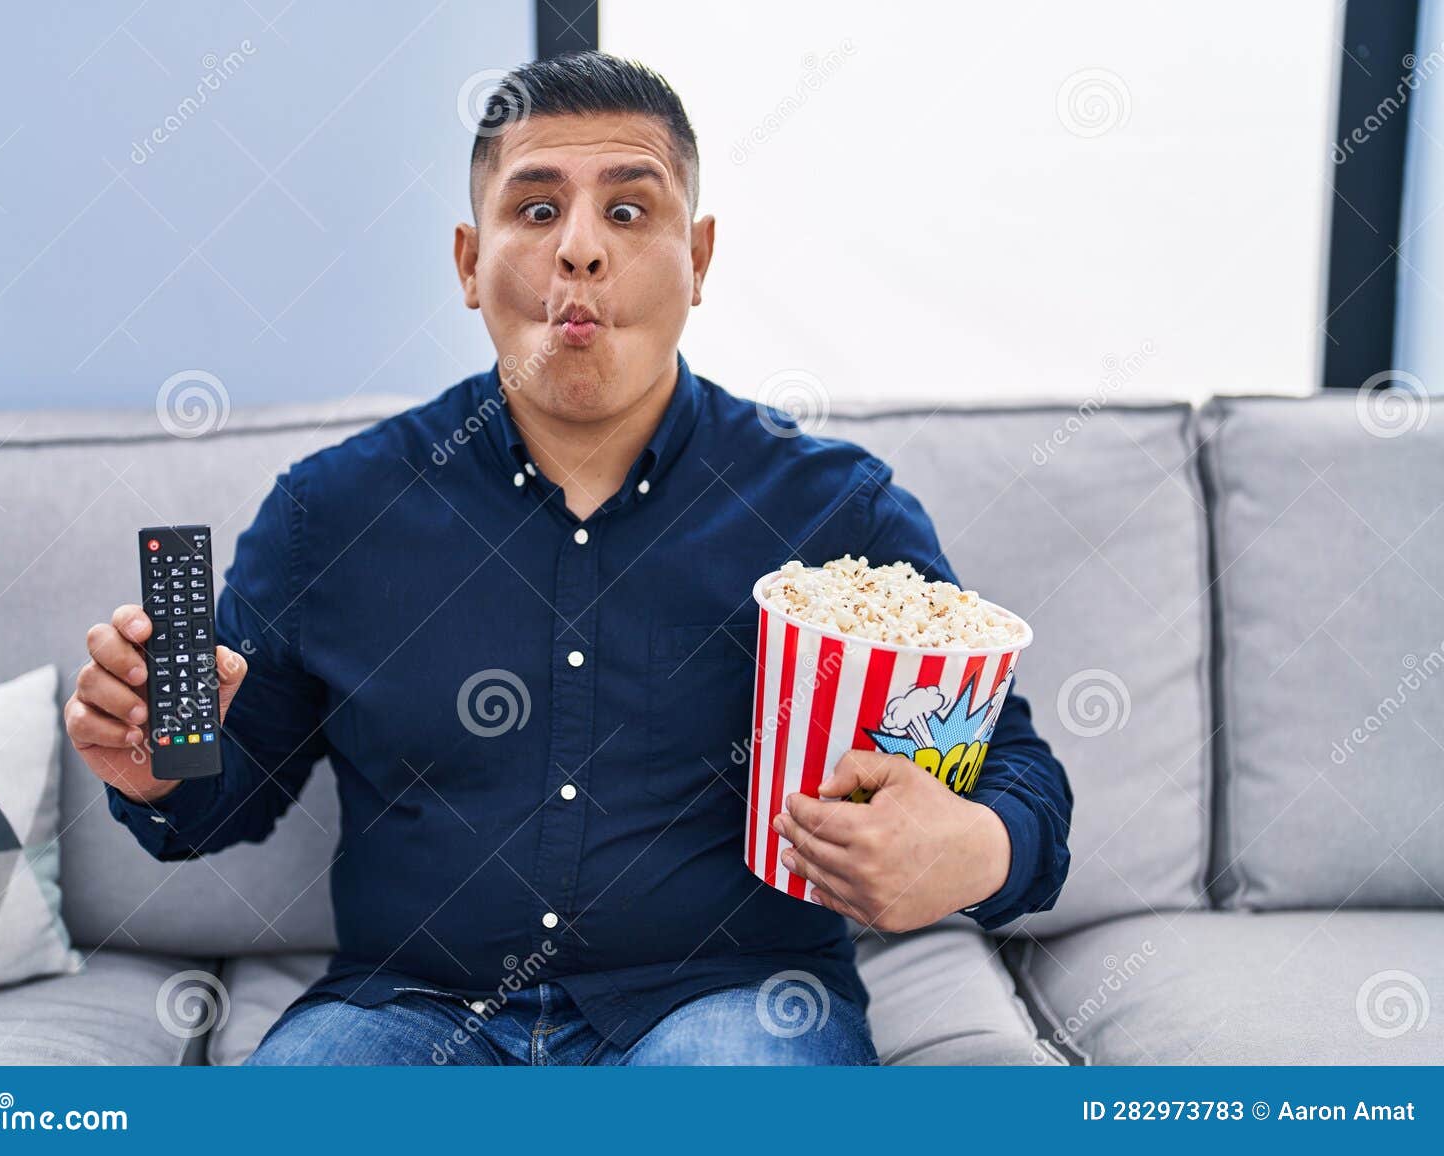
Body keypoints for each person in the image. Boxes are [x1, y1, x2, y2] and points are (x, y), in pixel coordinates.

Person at [63, 51, 1071, 1066]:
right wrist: (157, 767)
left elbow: (1015, 770)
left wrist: (970, 846)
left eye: (629, 212)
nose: (580, 249)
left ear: (700, 257)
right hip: (407, 1009)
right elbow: (226, 793)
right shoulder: (333, 511)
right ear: (468, 260)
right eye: (536, 211)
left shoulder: (832, 510)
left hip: (725, 1005)